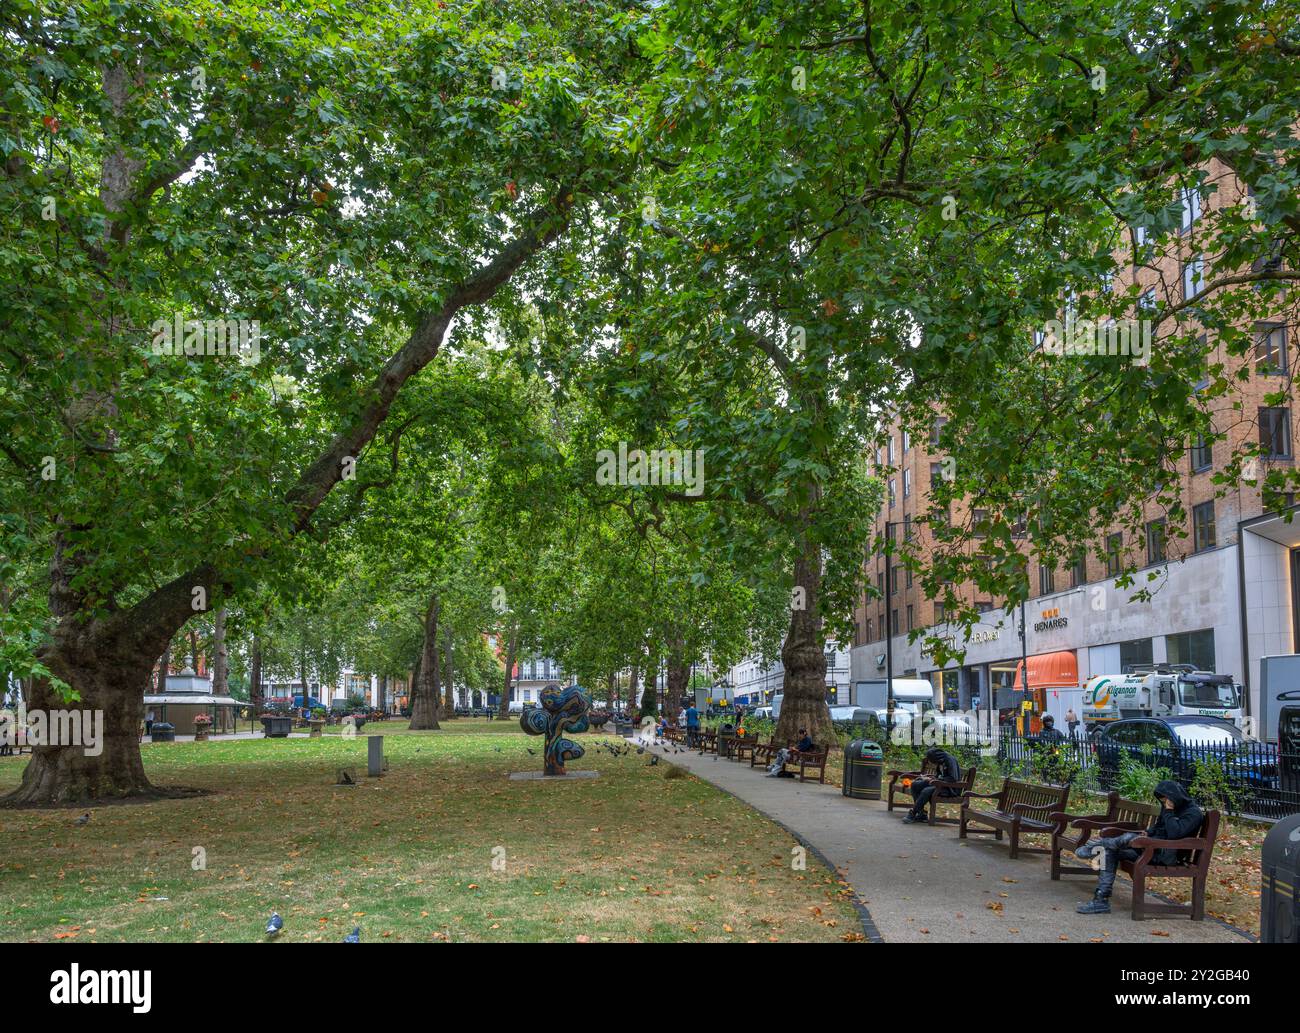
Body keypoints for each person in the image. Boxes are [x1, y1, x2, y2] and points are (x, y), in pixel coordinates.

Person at [1075, 780, 1204, 915]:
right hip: (1151, 849)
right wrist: (1149, 832)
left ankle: (1093, 848)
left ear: (1175, 796)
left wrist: (1169, 811)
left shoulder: (1193, 813)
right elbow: (1159, 826)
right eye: (1161, 800)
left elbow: (1174, 833)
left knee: (1128, 838)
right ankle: (1100, 900)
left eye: (1165, 799)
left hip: (1165, 856)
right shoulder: (1169, 807)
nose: (1164, 802)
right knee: (1108, 852)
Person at [902, 747, 962, 824]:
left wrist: (934, 780)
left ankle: (913, 813)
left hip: (950, 789)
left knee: (926, 791)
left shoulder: (950, 760)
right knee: (915, 785)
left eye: (930, 759)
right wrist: (930, 778)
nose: (930, 761)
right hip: (940, 784)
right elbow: (939, 775)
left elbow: (953, 778)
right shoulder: (940, 761)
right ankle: (921, 814)